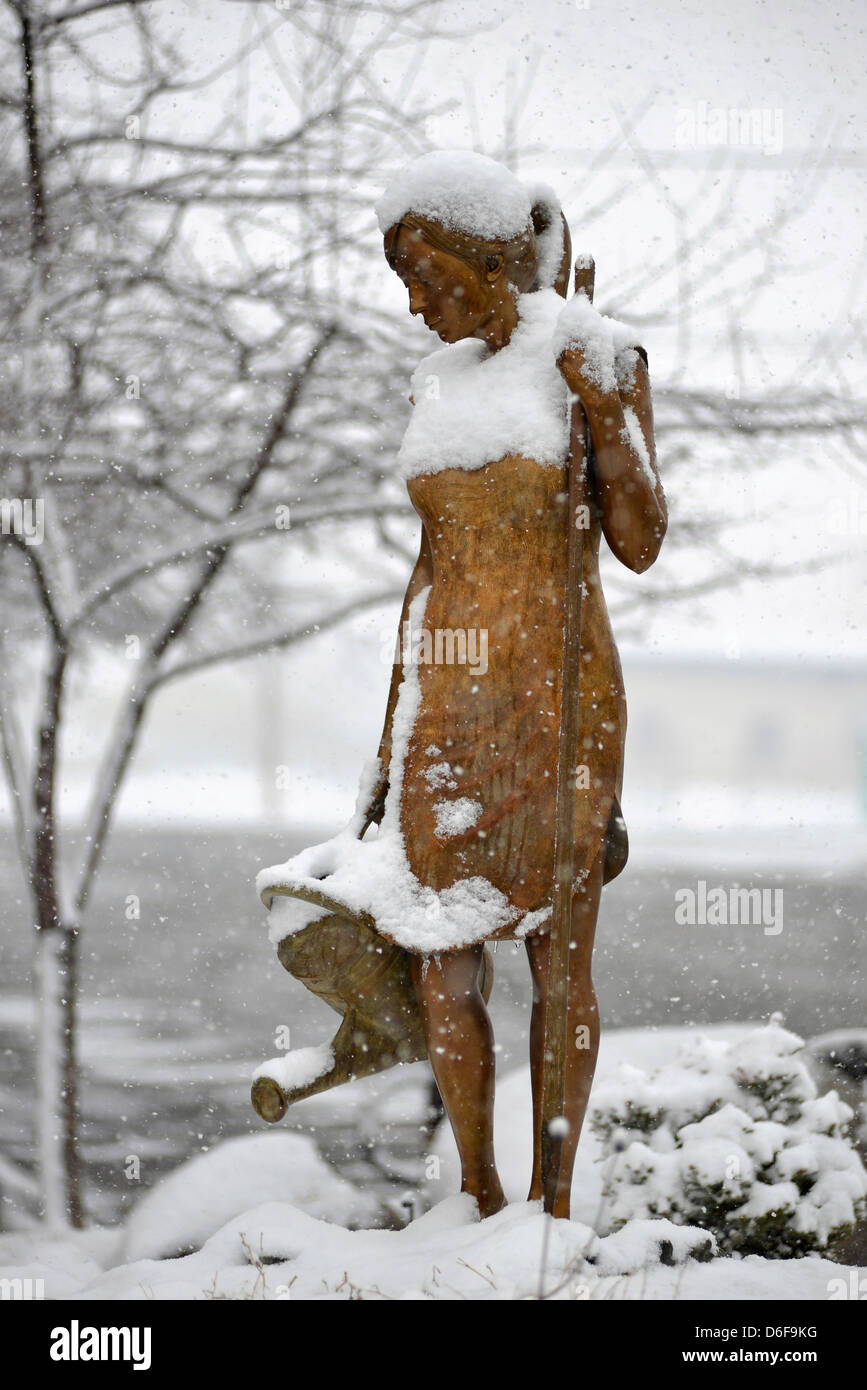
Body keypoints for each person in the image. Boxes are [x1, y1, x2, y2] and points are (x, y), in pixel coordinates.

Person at [256, 150, 667, 1220]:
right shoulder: (438, 384)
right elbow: (428, 564)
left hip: (557, 691)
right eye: (406, 285)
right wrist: (393, 734)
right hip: (447, 694)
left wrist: (608, 420)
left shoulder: (600, 354)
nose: (419, 305)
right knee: (441, 956)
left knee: (555, 952)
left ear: (493, 260)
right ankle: (475, 1196)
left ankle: (555, 1202)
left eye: (435, 280)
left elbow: (640, 539)